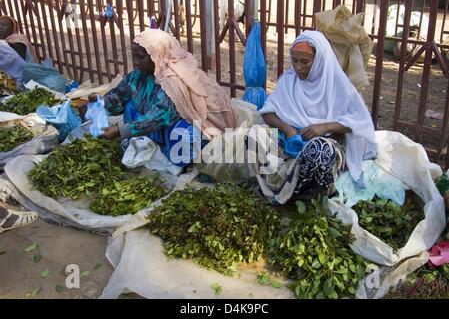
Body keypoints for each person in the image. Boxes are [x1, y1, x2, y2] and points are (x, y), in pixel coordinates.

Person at [82, 29, 236, 168]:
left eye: (140, 57)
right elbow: (119, 96)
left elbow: (158, 117)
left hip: (186, 129)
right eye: (134, 56)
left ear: (156, 56)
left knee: (183, 132)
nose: (135, 62)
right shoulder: (138, 75)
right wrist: (96, 107)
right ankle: (148, 149)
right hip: (156, 128)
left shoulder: (173, 81)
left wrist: (119, 130)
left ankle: (179, 163)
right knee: (129, 105)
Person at [256, 30, 377, 203]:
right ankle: (273, 187)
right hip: (289, 141)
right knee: (255, 136)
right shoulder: (289, 80)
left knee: (319, 151)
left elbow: (358, 122)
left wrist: (325, 126)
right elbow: (268, 112)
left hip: (327, 142)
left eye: (304, 62)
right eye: (295, 60)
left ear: (319, 60)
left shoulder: (338, 85)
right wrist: (287, 129)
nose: (298, 67)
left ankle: (301, 197)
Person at [0, 15, 37, 92]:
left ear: (13, 28)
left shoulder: (18, 39)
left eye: (4, 25)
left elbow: (14, 60)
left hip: (21, 77)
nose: (1, 27)